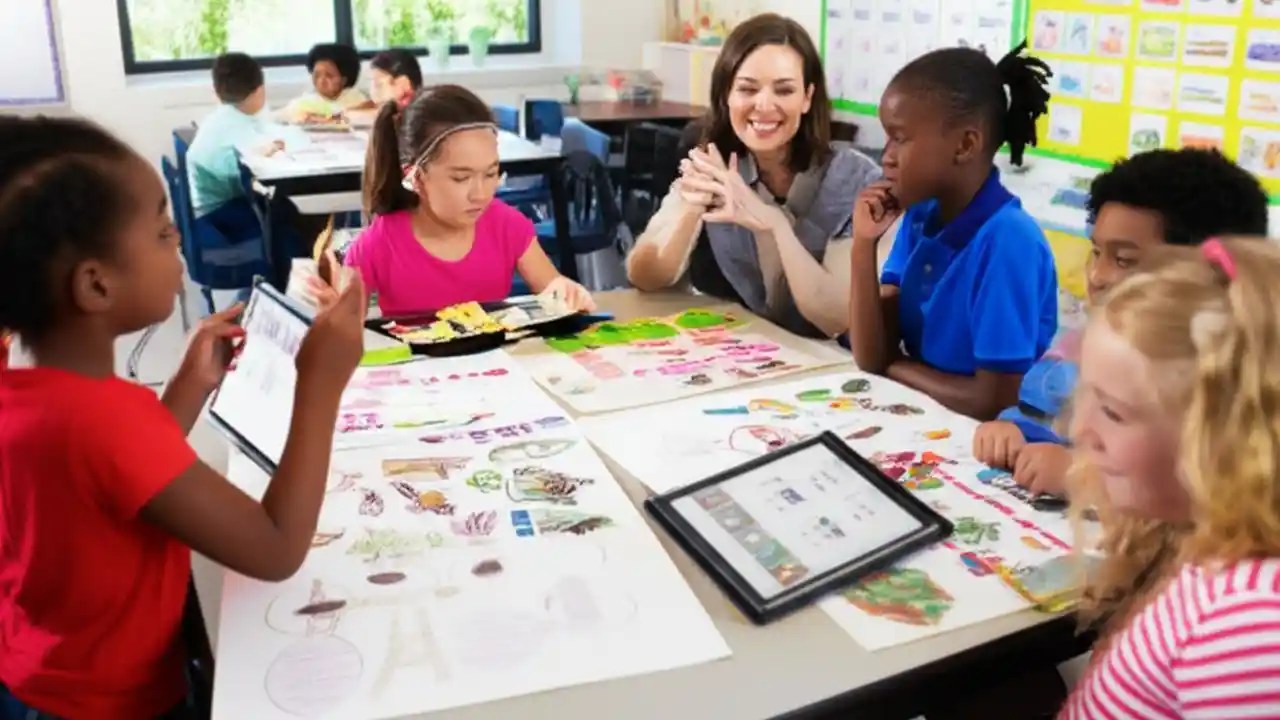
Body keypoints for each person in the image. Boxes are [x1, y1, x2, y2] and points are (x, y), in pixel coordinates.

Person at [0, 116, 367, 719]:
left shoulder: (35, 394)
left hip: (37, 676)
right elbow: (275, 549)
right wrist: (320, 384)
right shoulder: (109, 419)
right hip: (114, 704)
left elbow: (119, 484)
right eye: (165, 233)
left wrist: (189, 386)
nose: (178, 246)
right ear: (95, 284)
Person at [1060, 237, 1280, 718]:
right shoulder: (1207, 557)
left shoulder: (1248, 623)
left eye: (1113, 413)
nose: (1080, 430)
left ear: (1227, 438)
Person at [972, 149, 1269, 495]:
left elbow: (1215, 497)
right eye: (1096, 253)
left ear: (1205, 275)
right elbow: (1039, 414)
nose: (1097, 276)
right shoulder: (1081, 349)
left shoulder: (1232, 382)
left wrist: (1088, 479)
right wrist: (1012, 431)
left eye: (1125, 260)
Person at [625, 13, 882, 338]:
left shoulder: (853, 179)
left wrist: (772, 223)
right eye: (747, 89)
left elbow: (834, 319)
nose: (763, 105)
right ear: (726, 95)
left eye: (784, 91)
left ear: (807, 98)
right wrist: (691, 208)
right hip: (755, 352)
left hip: (834, 364)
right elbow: (644, 277)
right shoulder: (714, 160)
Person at [847, 43, 1057, 421]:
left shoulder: (1008, 241)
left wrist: (895, 366)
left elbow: (992, 401)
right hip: (925, 416)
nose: (887, 156)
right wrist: (864, 244)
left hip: (991, 439)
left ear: (965, 145)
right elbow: (869, 354)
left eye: (900, 138)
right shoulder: (921, 214)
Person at [306, 84, 594, 315]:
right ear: (415, 178)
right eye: (461, 178)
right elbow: (345, 329)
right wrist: (331, 315)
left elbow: (552, 288)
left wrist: (567, 292)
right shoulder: (379, 243)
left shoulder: (506, 224)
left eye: (491, 174)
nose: (480, 193)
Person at [187, 52, 314, 291]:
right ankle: (289, 293)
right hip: (221, 219)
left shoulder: (223, 119)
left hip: (209, 212)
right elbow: (263, 153)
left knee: (287, 214)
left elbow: (260, 128)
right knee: (289, 224)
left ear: (217, 91)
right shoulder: (239, 128)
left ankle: (286, 290)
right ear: (259, 91)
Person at [279, 43, 371, 122]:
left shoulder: (357, 100)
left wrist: (324, 120)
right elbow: (281, 116)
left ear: (344, 79)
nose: (321, 81)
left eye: (329, 76)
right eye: (317, 75)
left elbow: (352, 119)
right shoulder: (304, 103)